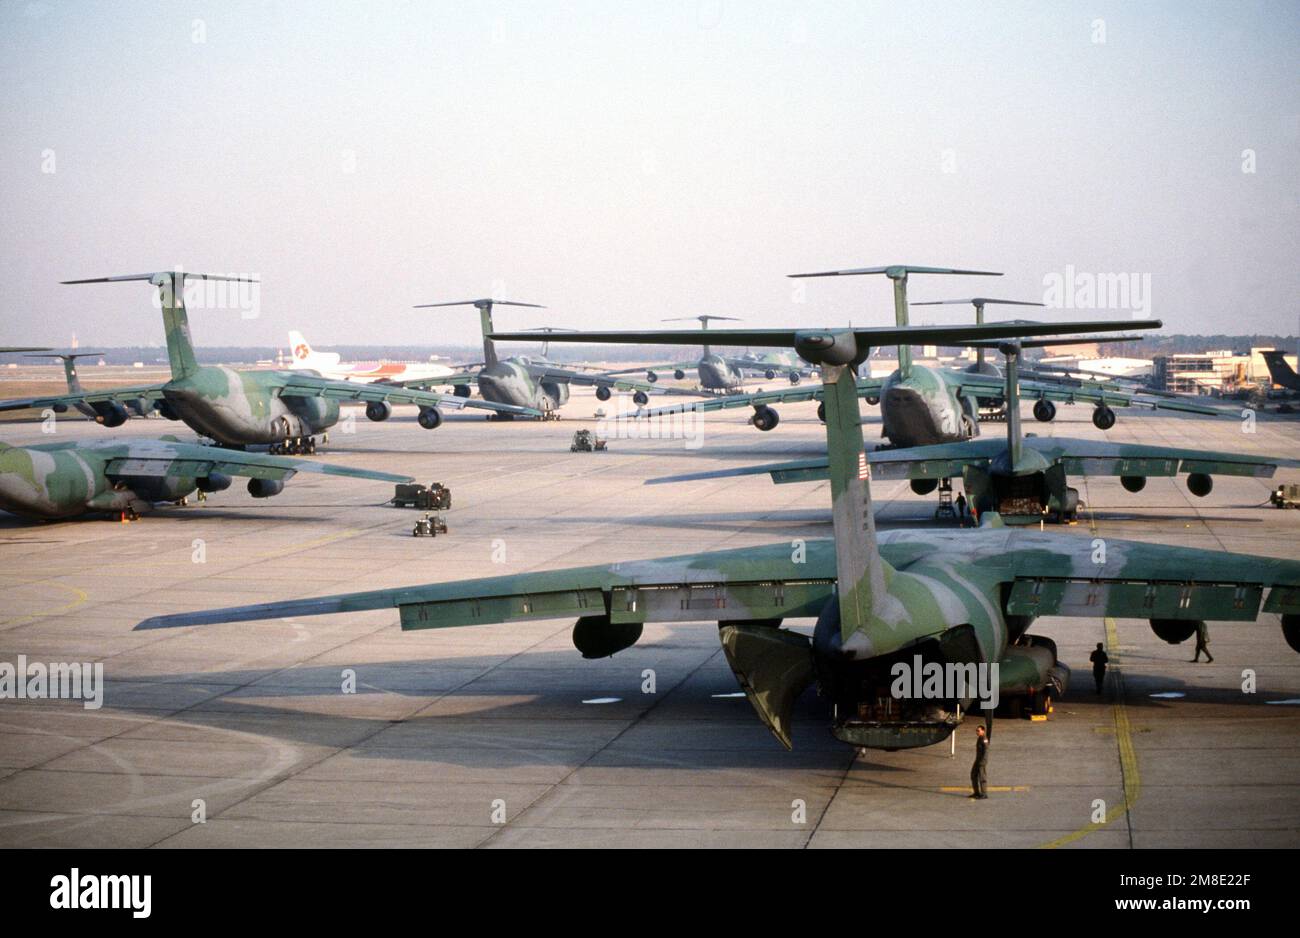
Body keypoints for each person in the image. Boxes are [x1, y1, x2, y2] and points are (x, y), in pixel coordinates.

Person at [969, 724, 989, 799]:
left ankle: (984, 793)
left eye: (978, 731)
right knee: (973, 775)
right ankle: (976, 792)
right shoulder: (980, 738)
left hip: (982, 761)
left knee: (982, 777)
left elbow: (986, 751)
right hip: (977, 760)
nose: (977, 732)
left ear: (983, 731)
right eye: (976, 731)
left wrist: (983, 761)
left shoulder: (984, 739)